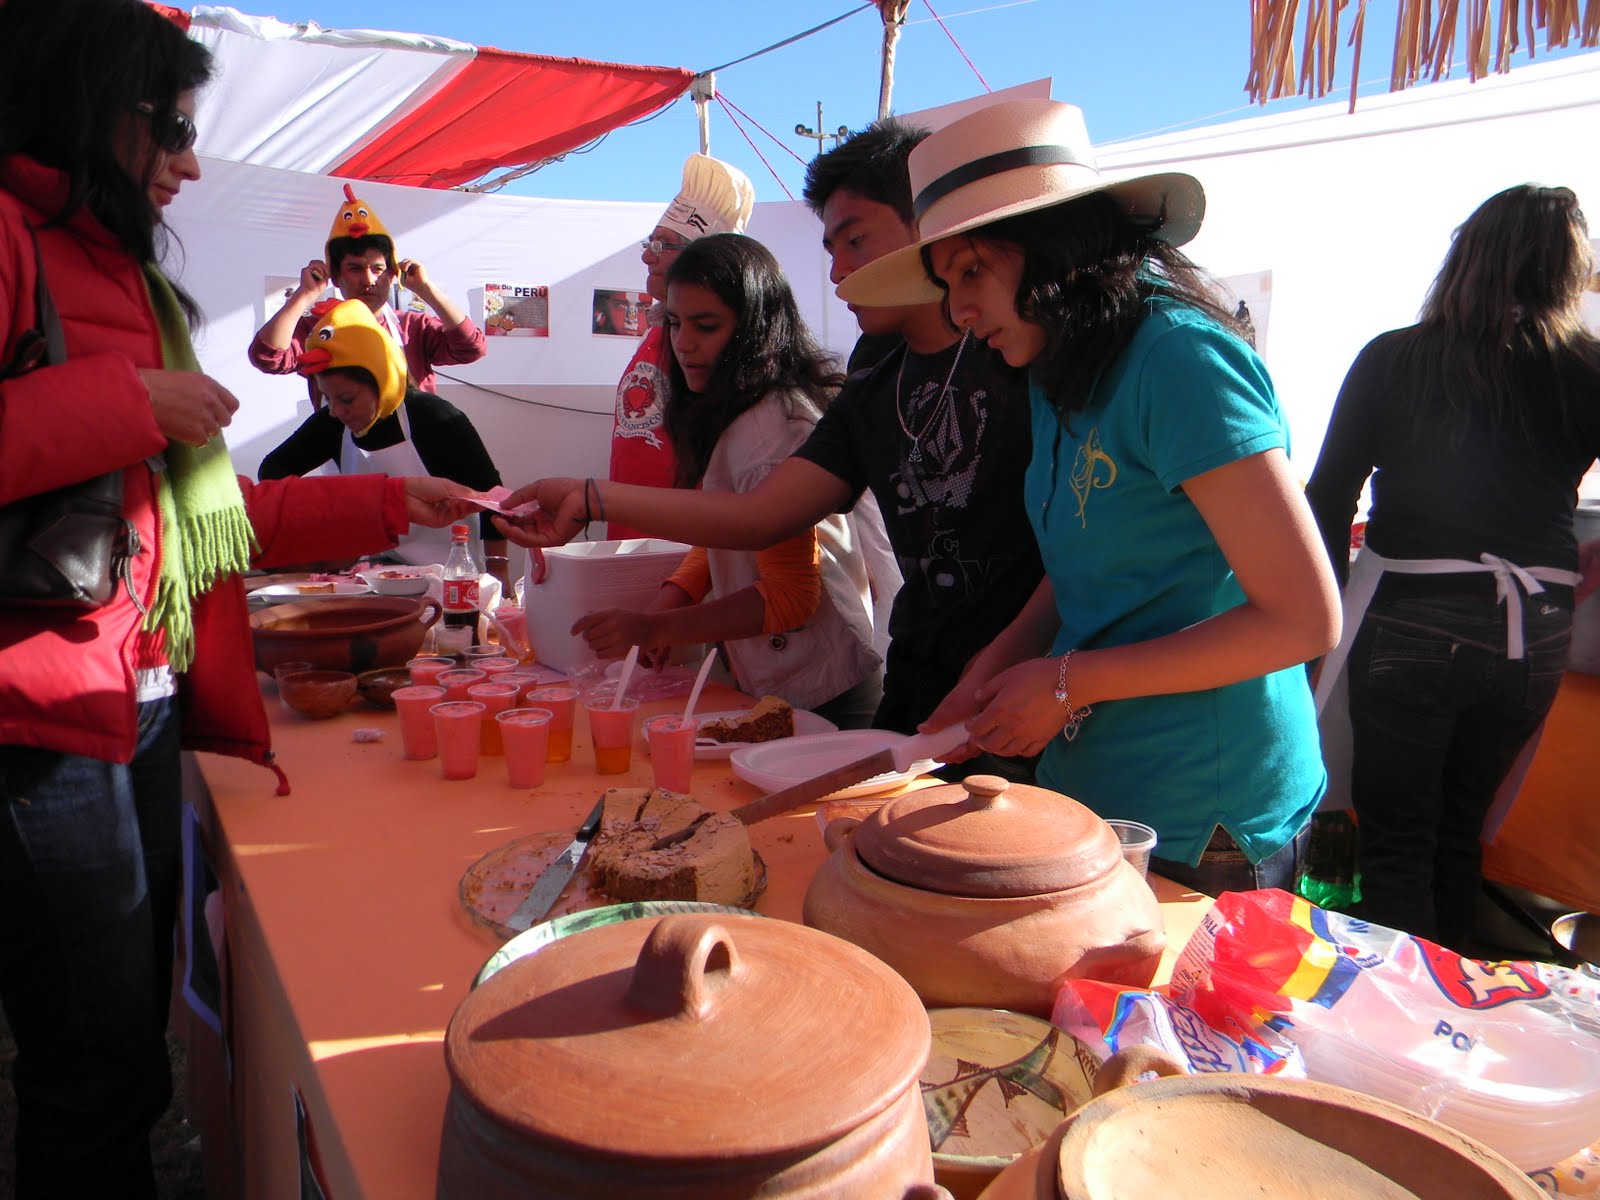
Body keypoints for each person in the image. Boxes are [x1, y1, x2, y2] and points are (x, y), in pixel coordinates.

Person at [0, 3, 478, 1193]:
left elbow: (201, 520)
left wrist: (392, 500)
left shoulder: (125, 273)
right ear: (85, 109)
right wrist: (127, 404)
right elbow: (126, 445)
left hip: (135, 696)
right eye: (169, 128)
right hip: (37, 723)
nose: (191, 162)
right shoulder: (9, 237)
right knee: (91, 1063)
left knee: (127, 1038)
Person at [839, 98, 1340, 893]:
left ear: (1055, 246)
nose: (960, 311)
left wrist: (1068, 682)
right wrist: (997, 663)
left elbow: (1305, 618)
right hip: (1095, 789)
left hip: (1204, 812)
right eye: (946, 282)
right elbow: (1085, 555)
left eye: (971, 272)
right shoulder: (1060, 367)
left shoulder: (1180, 360)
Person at [492, 121, 1044, 759]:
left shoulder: (1018, 360)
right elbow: (757, 517)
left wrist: (654, 611)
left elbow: (788, 587)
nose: (838, 272)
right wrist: (591, 501)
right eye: (675, 323)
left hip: (1022, 696)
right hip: (922, 683)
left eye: (856, 240)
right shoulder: (873, 372)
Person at [1304, 184, 1600, 947]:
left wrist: (1316, 629)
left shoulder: (1396, 357)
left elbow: (1328, 496)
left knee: (1398, 840)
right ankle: (1451, 1002)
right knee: (1459, 835)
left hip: (1414, 613)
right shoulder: (1587, 367)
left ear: (1466, 255)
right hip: (1536, 625)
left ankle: (1402, 1010)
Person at [576, 234, 884, 726]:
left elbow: (790, 596)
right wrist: (670, 603)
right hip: (784, 675)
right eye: (675, 323)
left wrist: (655, 627)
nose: (684, 343)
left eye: (707, 326)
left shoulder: (773, 428)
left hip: (825, 690)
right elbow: (725, 535)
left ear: (756, 327)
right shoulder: (733, 409)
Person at [258, 298, 508, 578]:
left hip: (450, 573)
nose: (336, 411)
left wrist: (498, 568)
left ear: (382, 382)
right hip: (372, 576)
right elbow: (273, 470)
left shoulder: (435, 418)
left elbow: (491, 496)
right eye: (328, 398)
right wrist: (330, 516)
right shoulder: (331, 423)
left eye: (347, 399)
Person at [607, 152, 754, 538]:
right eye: (651, 242)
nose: (646, 255)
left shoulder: (724, 344)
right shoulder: (658, 329)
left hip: (687, 545)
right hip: (633, 538)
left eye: (663, 245)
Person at [248, 180, 486, 404]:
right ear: (336, 277)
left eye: (378, 269)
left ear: (391, 275)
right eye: (355, 268)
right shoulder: (318, 329)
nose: (368, 279)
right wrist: (304, 295)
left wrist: (428, 290)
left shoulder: (414, 327)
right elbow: (267, 357)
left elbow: (471, 348)